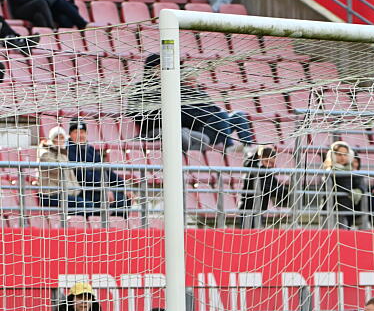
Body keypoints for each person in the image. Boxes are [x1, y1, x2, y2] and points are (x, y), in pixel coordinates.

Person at [127, 54, 255, 151]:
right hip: (163, 129)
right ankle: (229, 147)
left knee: (235, 115)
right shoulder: (140, 89)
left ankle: (247, 149)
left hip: (195, 126)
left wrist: (201, 115)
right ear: (154, 69)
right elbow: (138, 115)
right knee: (215, 120)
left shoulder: (178, 88)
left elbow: (205, 109)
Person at [66, 119, 131, 216]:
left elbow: (106, 171)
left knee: (125, 198)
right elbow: (82, 175)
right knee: (118, 201)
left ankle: (115, 225)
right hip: (83, 191)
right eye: (76, 132)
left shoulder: (90, 150)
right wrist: (103, 188)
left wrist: (124, 187)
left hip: (98, 189)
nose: (80, 135)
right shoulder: (68, 150)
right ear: (70, 134)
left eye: (82, 132)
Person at [37, 126, 97, 214]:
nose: (59, 140)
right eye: (56, 137)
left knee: (93, 201)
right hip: (49, 195)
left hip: (64, 193)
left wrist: (77, 191)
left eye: (62, 138)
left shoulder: (63, 152)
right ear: (52, 138)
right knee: (86, 206)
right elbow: (57, 170)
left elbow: (71, 175)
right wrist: (58, 150)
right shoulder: (45, 153)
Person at [238, 145, 290, 228]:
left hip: (260, 208)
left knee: (257, 231)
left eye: (271, 163)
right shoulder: (254, 169)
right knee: (247, 231)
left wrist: (284, 192)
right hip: (248, 208)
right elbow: (262, 187)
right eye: (267, 161)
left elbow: (276, 185)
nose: (269, 165)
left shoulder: (268, 172)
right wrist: (278, 190)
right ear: (260, 158)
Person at [323, 141, 367, 229]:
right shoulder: (329, 171)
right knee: (329, 232)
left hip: (348, 208)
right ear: (333, 155)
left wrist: (357, 191)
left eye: (345, 154)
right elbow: (328, 189)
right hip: (331, 209)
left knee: (344, 232)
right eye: (339, 154)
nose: (342, 157)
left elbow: (362, 186)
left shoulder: (353, 171)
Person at [351, 155, 374, 227]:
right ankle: (351, 223)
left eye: (356, 162)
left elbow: (364, 188)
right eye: (352, 162)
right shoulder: (343, 174)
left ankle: (367, 222)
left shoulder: (360, 175)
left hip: (360, 200)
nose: (354, 164)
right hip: (349, 200)